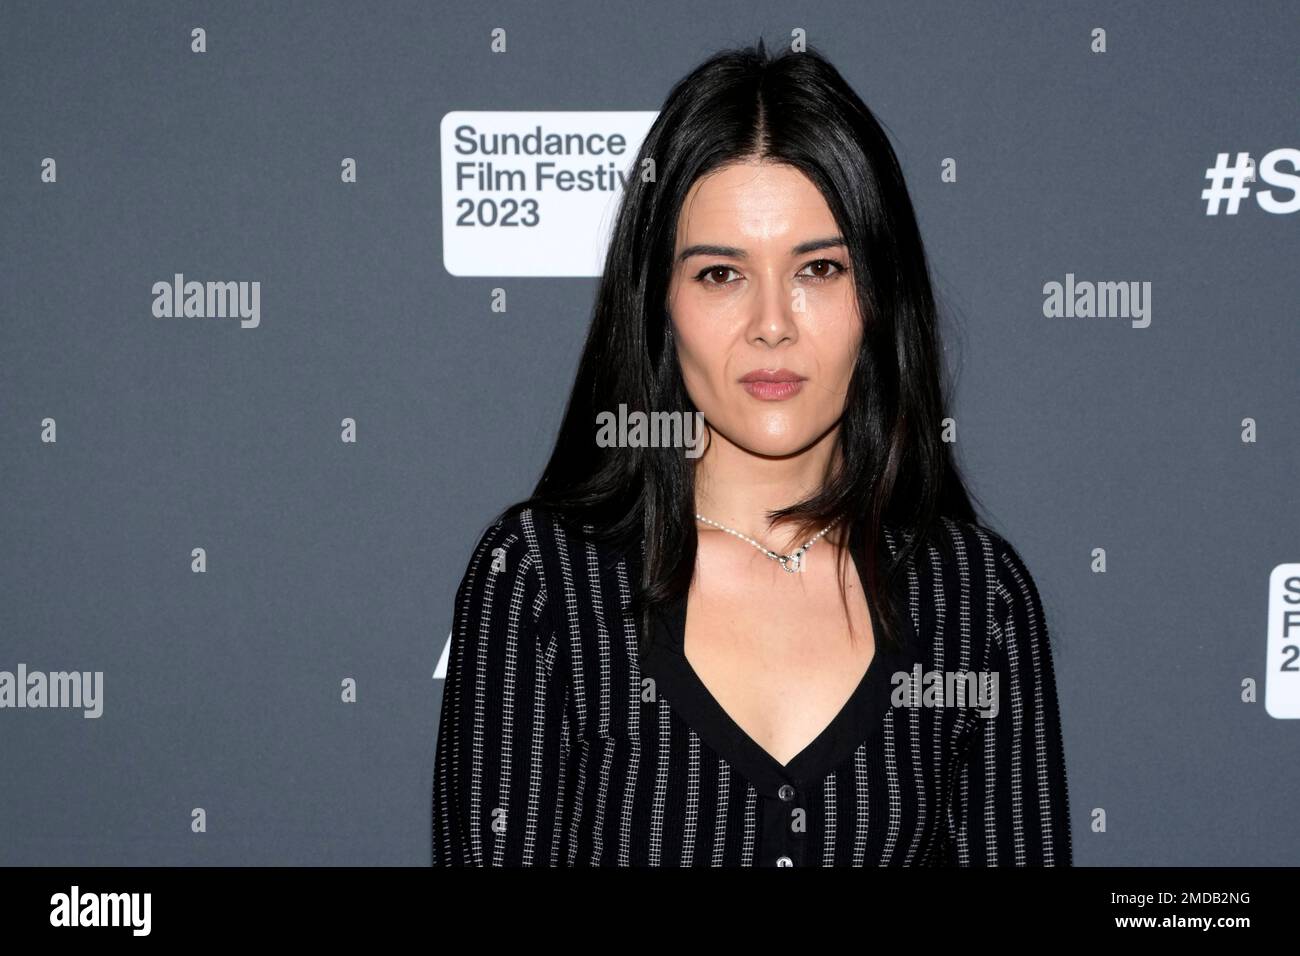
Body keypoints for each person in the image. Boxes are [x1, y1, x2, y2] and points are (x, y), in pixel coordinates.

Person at [431, 39, 1072, 867]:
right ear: (659, 302)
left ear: (878, 294)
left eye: (819, 268)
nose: (773, 322)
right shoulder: (540, 585)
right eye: (720, 275)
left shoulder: (978, 603)